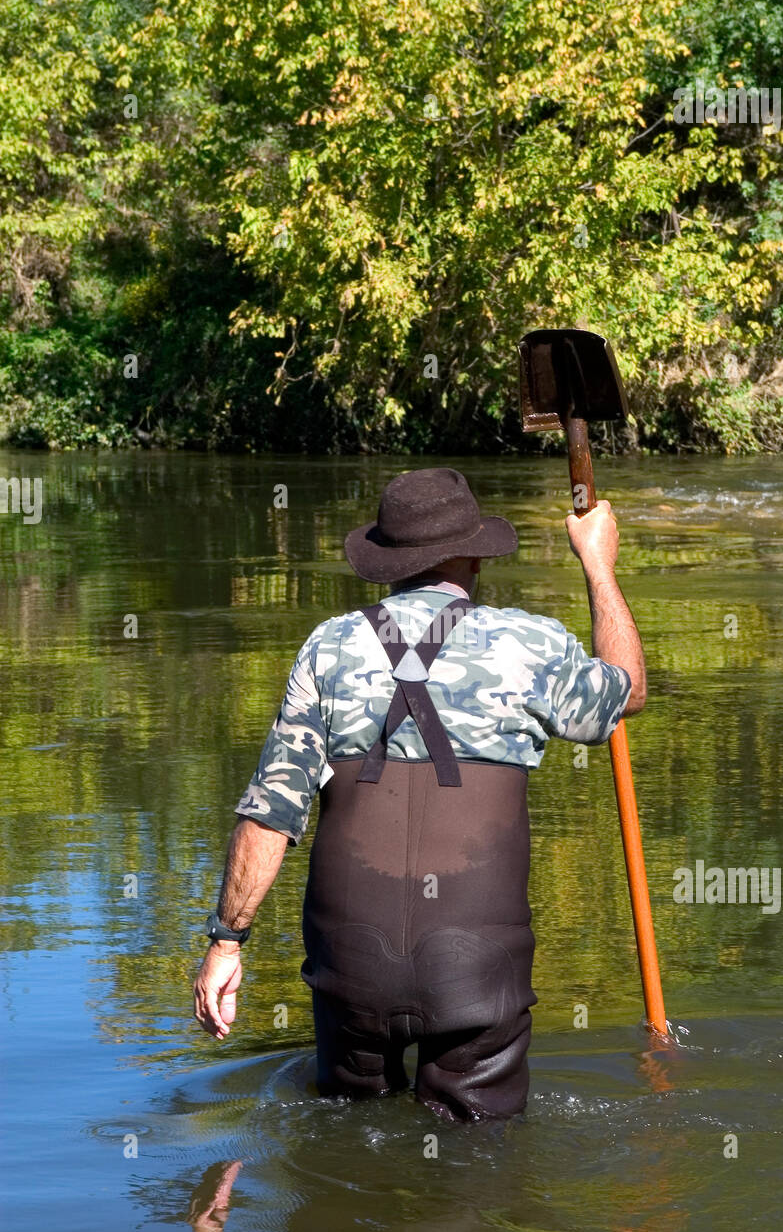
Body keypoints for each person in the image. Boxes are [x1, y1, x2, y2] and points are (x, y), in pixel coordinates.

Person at [193, 467, 646, 1121]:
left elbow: (271, 812)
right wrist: (598, 565)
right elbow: (627, 689)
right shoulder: (531, 644)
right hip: (477, 978)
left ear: (388, 564)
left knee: (347, 1145)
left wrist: (225, 941)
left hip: (348, 970)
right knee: (476, 1171)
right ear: (472, 555)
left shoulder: (327, 648)